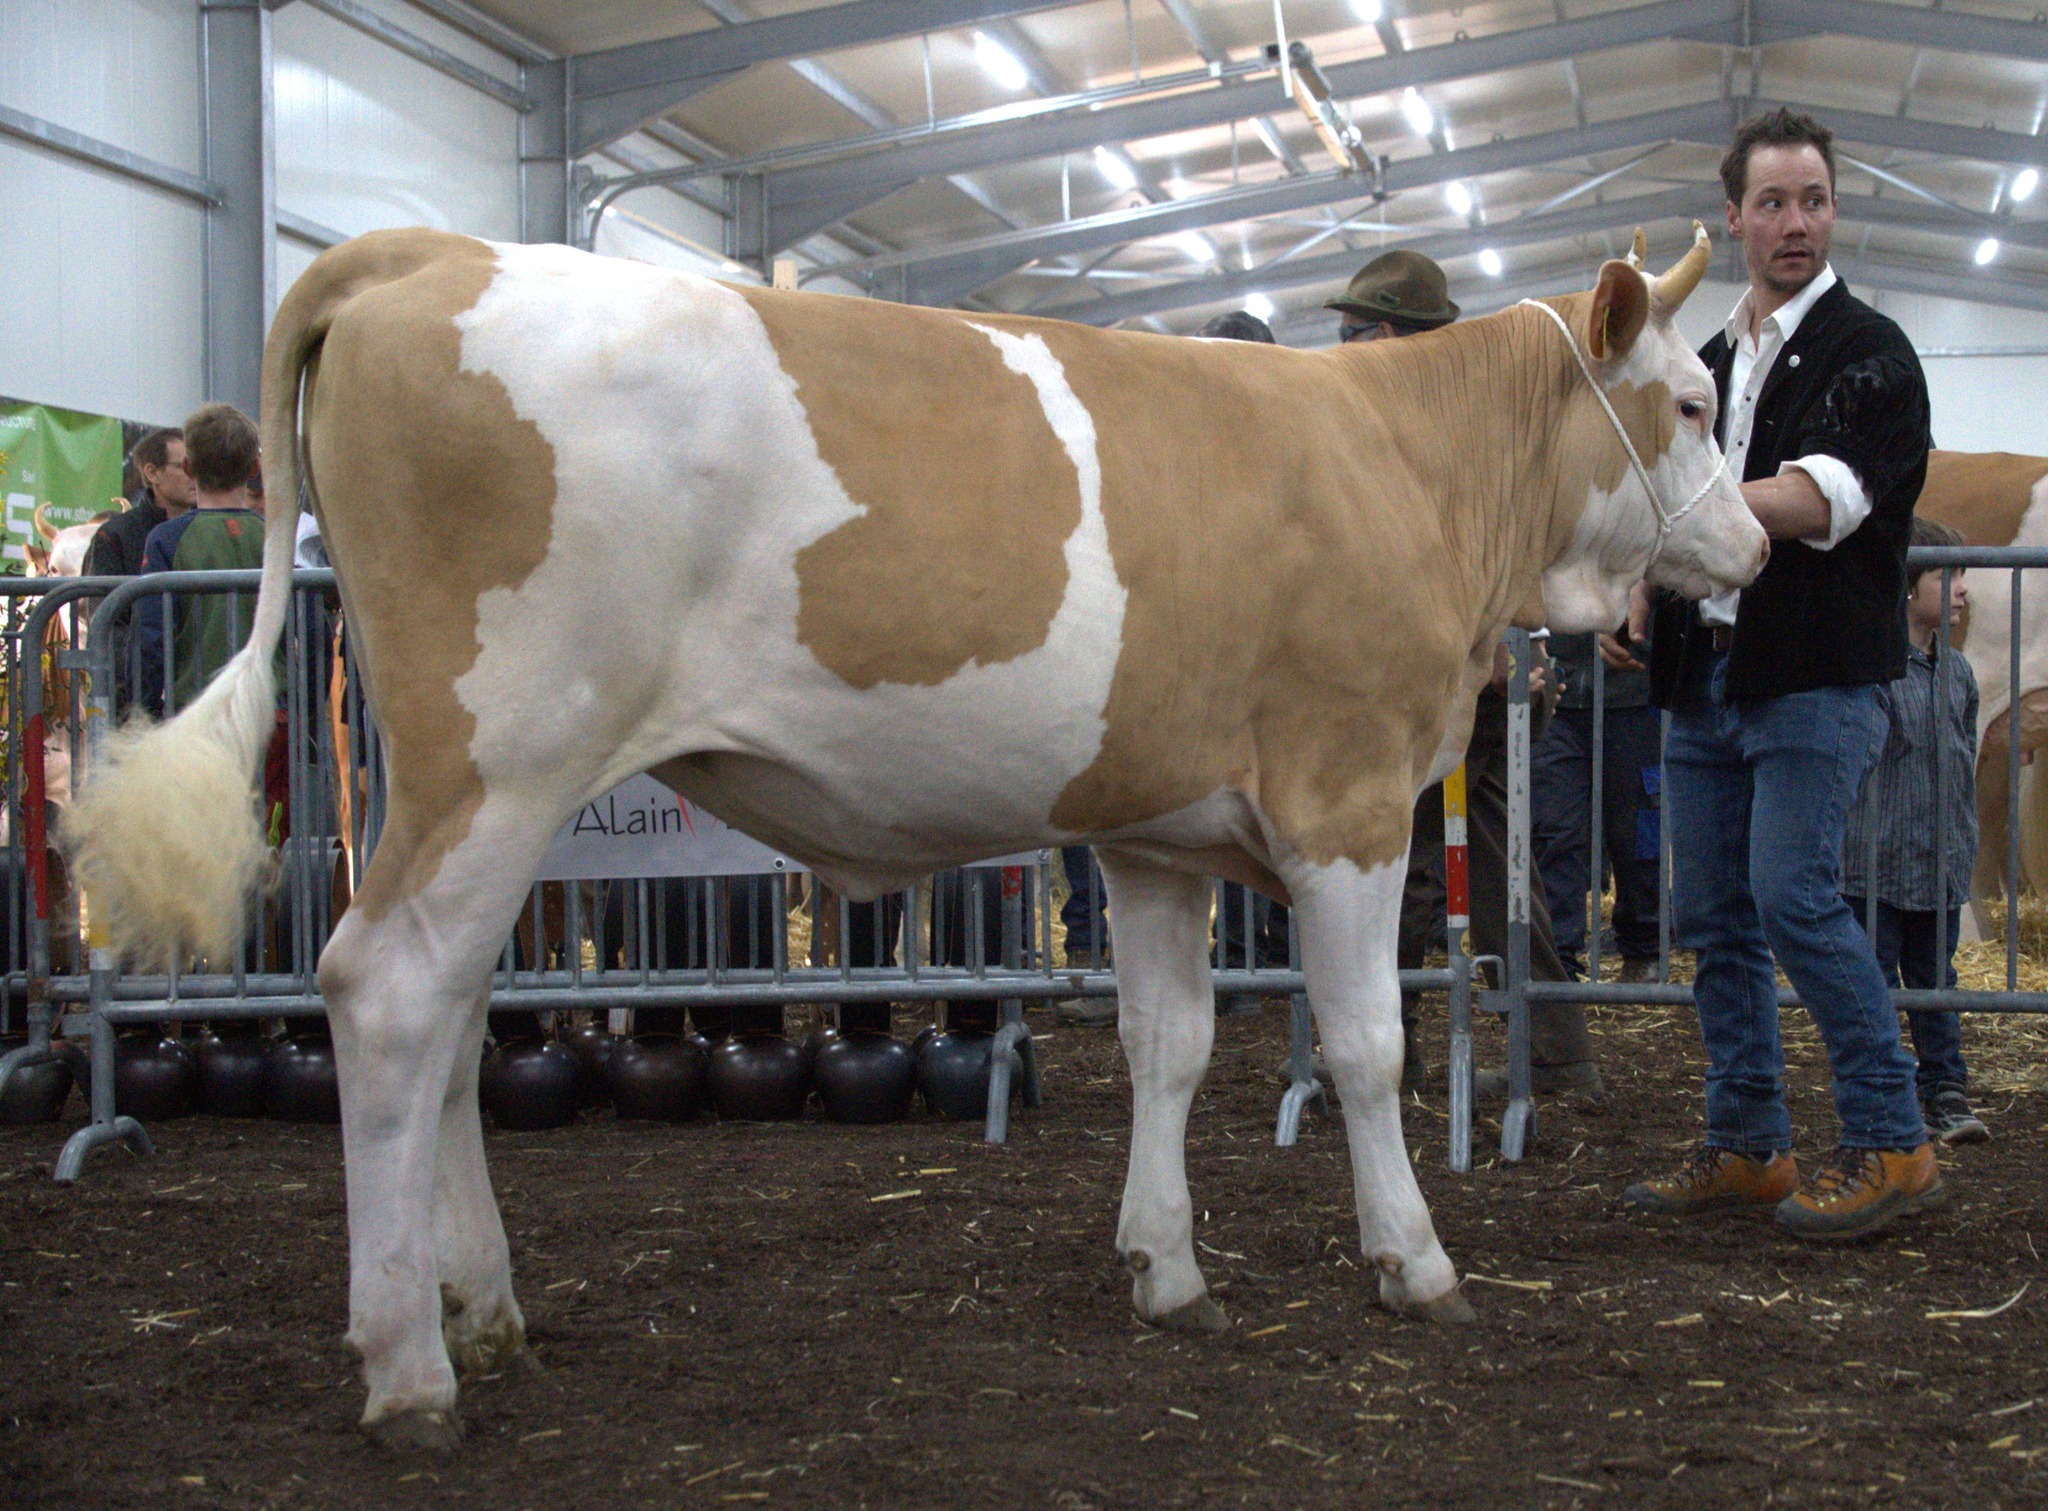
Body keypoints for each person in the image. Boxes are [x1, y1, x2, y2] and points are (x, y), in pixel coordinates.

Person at [1623, 108, 1941, 1240]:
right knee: (1712, 915)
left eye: (1811, 199)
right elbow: (1671, 507)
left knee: (1792, 897)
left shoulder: (1872, 354)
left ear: (1832, 209)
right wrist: (1640, 579)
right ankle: (1750, 1140)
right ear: (1732, 217)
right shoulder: (1705, 359)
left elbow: (1823, 500)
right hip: (1703, 674)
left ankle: (1892, 1136)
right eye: (1770, 202)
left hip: (1811, 674)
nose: (1792, 222)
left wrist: (1660, 516)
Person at [1326, 254, 1600, 1099]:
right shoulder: (1481, 419)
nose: (1339, 346)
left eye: (1351, 331)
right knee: (1494, 865)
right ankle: (1555, 1052)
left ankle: (1383, 1056)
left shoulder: (1412, 428)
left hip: (1448, 677)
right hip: (1490, 677)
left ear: (1385, 336)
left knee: (1408, 866)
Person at [1842, 517, 1988, 1146]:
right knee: (1871, 981)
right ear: (1905, 587)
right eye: (1945, 575)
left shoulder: (1959, 674)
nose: (1961, 591)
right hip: (1873, 862)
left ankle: (1946, 1091)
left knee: (1937, 981)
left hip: (1939, 861)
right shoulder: (1870, 669)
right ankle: (1884, 1095)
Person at [1532, 630, 1664, 984]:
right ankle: (1557, 958)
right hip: (1557, 691)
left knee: (1637, 831)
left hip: (1635, 688)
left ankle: (1645, 947)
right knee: (1554, 826)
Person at [135, 403, 267, 718]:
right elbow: (314, 630)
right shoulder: (275, 538)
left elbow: (150, 636)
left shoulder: (166, 540)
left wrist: (145, 712)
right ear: (254, 468)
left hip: (195, 714)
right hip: (270, 712)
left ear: (189, 467)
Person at [88, 427, 192, 578]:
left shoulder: (210, 529)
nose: (194, 474)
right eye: (183, 467)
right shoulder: (114, 536)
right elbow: (100, 600)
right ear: (152, 473)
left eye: (198, 465)